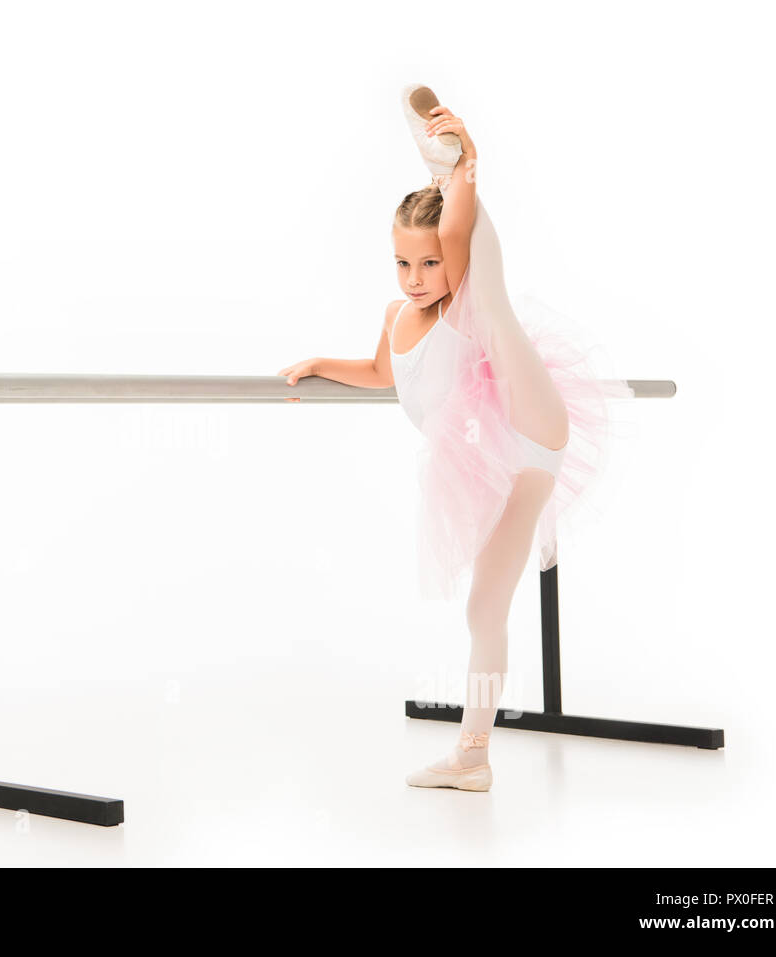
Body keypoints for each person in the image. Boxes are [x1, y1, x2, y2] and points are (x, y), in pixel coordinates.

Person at [277, 84, 632, 792]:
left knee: (491, 302)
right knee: (482, 607)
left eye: (430, 263)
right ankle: (473, 755)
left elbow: (462, 245)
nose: (416, 279)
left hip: (528, 417)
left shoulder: (463, 291)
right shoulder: (395, 314)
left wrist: (460, 174)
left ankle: (454, 161)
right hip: (512, 464)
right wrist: (319, 362)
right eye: (405, 264)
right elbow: (383, 371)